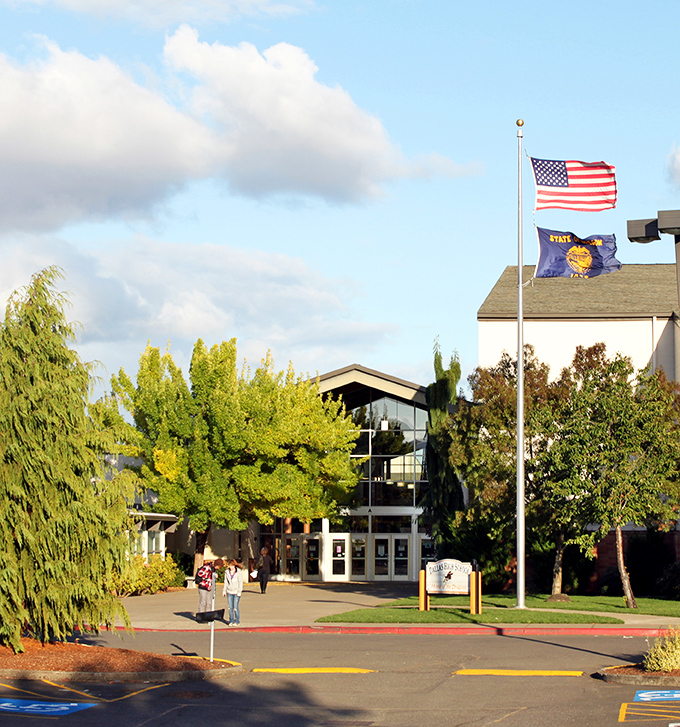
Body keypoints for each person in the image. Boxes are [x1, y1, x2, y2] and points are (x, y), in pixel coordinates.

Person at [222, 559, 243, 625]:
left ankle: (237, 621)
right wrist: (224, 591)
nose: (230, 567)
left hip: (236, 592)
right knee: (230, 607)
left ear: (234, 565)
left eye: (232, 565)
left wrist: (239, 592)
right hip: (229, 591)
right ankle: (231, 620)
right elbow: (226, 582)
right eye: (229, 565)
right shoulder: (227, 572)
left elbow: (240, 582)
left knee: (235, 607)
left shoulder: (238, 572)